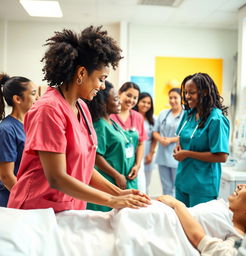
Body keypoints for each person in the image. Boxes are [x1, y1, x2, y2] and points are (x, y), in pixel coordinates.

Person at [7, 26, 151, 213]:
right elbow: (57, 177)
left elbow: (84, 165)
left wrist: (119, 193)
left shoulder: (82, 107)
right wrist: (112, 201)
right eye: (101, 78)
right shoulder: (48, 110)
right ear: (81, 73)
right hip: (37, 210)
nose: (101, 86)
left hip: (68, 207)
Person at [174, 73, 230, 207]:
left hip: (203, 185)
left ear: (204, 92)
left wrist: (187, 154)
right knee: (180, 224)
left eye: (191, 93)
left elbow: (221, 156)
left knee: (197, 225)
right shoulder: (189, 114)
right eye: (185, 92)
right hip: (183, 179)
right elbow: (181, 136)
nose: (187, 97)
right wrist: (178, 147)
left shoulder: (216, 119)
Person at [157, 181, 246, 256]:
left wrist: (177, 205)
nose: (240, 185)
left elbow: (216, 250)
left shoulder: (237, 235)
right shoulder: (224, 206)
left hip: (164, 225)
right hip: (162, 213)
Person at [86, 81, 140, 211]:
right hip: (108, 182)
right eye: (115, 99)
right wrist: (116, 175)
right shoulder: (100, 126)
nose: (119, 102)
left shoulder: (112, 123)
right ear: (104, 103)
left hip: (121, 181)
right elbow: (97, 157)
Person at [0, 74, 38, 207]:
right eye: (33, 94)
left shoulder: (30, 124)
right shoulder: (6, 129)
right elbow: (6, 176)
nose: (38, 98)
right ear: (17, 99)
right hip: (11, 200)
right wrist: (27, 201)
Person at [111, 82, 148, 193]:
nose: (131, 100)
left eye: (135, 98)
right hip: (114, 166)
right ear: (119, 93)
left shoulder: (138, 117)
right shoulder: (110, 115)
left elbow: (141, 143)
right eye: (128, 95)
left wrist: (137, 165)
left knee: (135, 197)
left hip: (132, 167)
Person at [153, 88, 183, 196]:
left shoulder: (187, 115)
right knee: (166, 188)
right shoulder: (163, 113)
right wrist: (160, 138)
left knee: (177, 187)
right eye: (170, 98)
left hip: (177, 155)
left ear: (181, 99)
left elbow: (186, 135)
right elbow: (155, 131)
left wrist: (171, 140)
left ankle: (176, 209)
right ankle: (167, 210)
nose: (172, 100)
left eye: (175, 97)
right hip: (162, 156)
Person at [134, 92, 157, 194]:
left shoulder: (152, 120)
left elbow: (154, 138)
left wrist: (151, 154)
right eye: (143, 102)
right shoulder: (131, 116)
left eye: (148, 103)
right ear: (138, 102)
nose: (146, 105)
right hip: (134, 153)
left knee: (145, 184)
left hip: (147, 155)